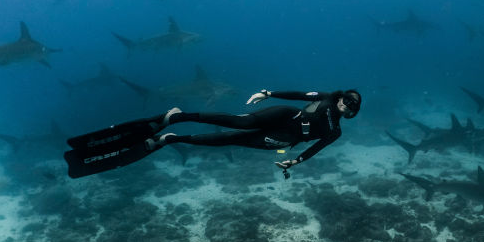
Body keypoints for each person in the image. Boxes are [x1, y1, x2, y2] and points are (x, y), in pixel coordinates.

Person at [64, 89, 361, 179]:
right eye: (346, 100)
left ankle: (171, 138)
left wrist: (294, 163)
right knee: (238, 122)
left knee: (232, 139)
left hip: (286, 139)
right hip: (284, 115)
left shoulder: (336, 132)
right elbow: (298, 93)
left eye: (351, 106)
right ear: (340, 97)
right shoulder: (324, 97)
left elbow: (316, 148)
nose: (346, 106)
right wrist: (268, 93)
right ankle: (176, 117)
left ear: (352, 112)